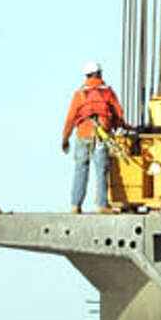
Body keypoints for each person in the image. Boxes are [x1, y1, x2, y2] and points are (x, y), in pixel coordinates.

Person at [61, 61, 126, 213]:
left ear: (86, 76)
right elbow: (119, 114)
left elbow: (70, 118)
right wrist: (118, 126)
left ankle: (75, 205)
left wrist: (65, 138)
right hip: (100, 135)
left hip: (82, 134)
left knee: (80, 169)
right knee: (101, 170)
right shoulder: (107, 92)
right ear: (100, 74)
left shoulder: (79, 94)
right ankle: (102, 205)